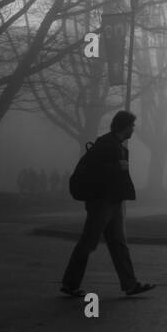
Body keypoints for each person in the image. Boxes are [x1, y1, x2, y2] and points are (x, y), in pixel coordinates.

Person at [60, 111, 155, 297]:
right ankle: (70, 284)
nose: (134, 130)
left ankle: (130, 284)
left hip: (112, 201)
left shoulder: (115, 145)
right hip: (102, 202)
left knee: (118, 244)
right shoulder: (106, 145)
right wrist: (116, 167)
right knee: (88, 243)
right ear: (125, 126)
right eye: (132, 126)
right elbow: (94, 171)